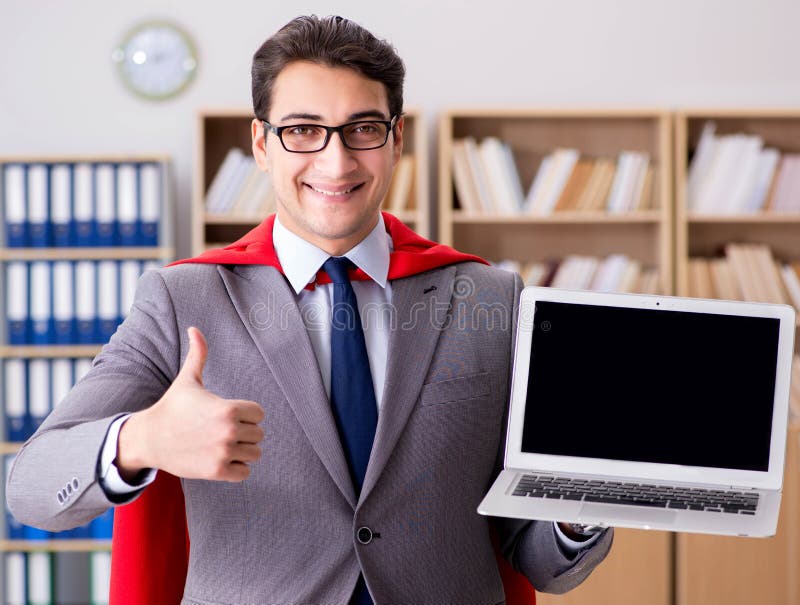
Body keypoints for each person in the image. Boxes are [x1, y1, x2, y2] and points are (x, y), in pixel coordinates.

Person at [7, 15, 613, 605]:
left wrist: (581, 507)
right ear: (262, 144)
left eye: (363, 129)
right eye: (303, 130)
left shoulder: (491, 299)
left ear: (396, 139)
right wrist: (140, 439)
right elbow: (31, 487)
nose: (337, 161)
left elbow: (535, 557)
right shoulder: (181, 300)